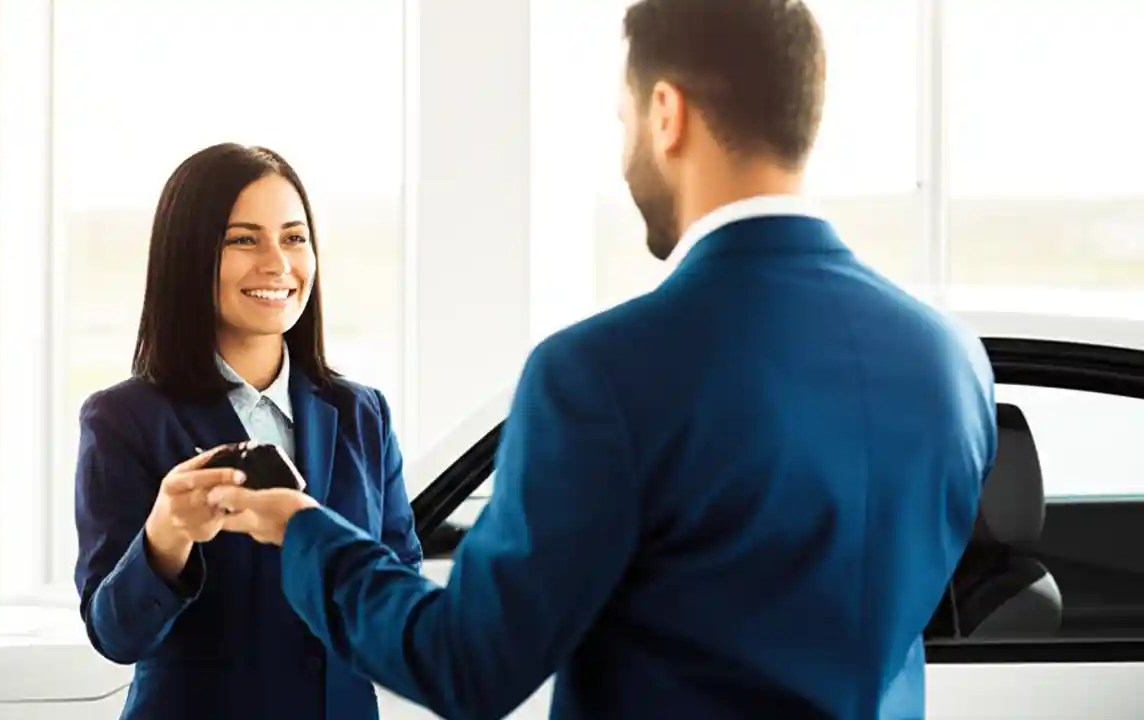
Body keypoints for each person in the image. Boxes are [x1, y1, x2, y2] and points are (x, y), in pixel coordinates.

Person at [210, 1, 996, 718]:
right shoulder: (951, 361)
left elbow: (467, 664)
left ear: (665, 113)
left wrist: (305, 530)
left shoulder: (599, 374)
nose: (626, 155)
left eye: (623, 119)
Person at [72, 143, 421, 720]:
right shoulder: (123, 420)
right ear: (190, 255)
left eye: (293, 237)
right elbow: (117, 636)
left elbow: (396, 592)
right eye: (243, 239)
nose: (277, 264)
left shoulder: (362, 414)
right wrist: (166, 537)